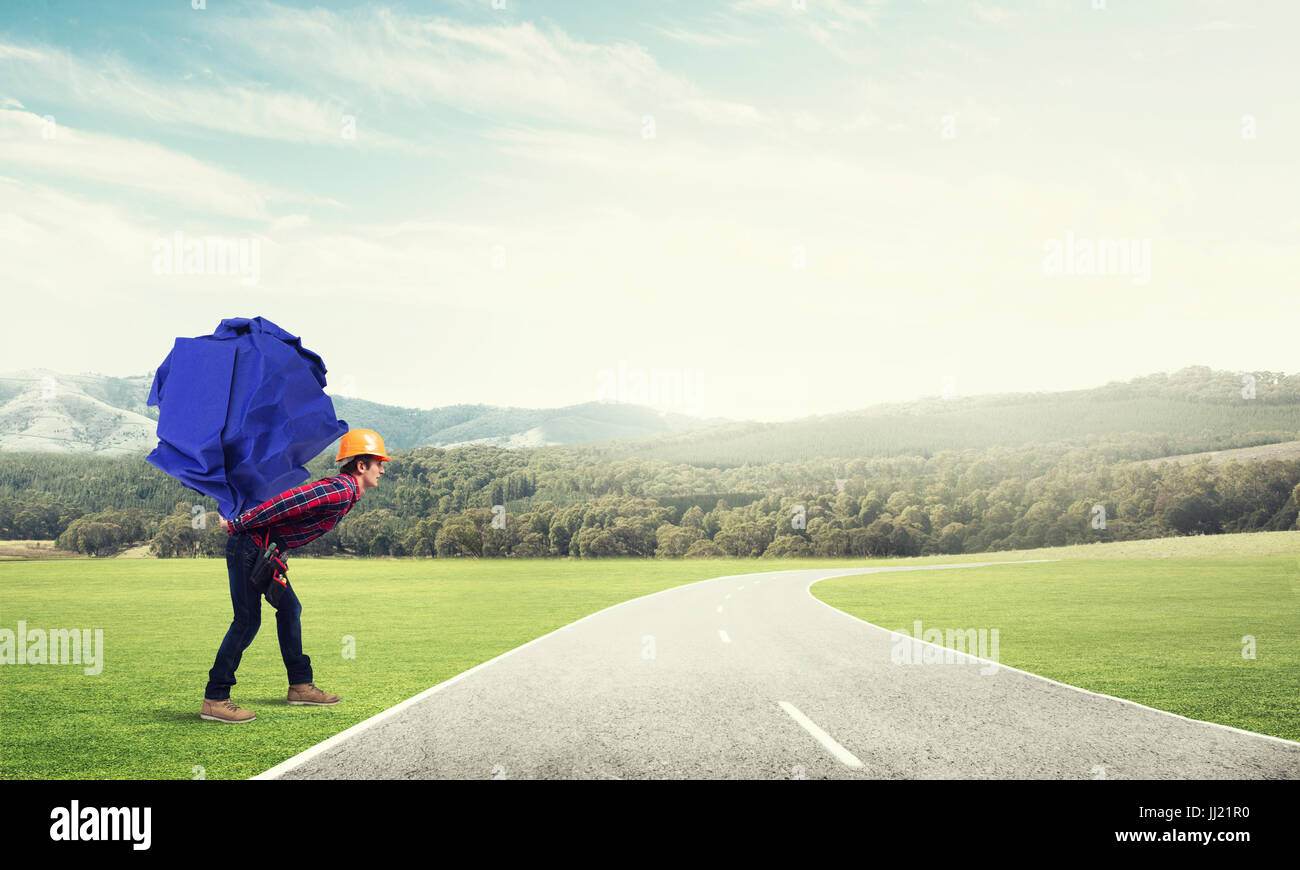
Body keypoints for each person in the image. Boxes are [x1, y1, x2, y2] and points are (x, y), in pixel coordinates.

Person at [199, 428, 390, 724]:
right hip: (248, 545)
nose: (382, 468)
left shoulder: (347, 494)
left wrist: (280, 554)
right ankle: (215, 698)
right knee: (247, 620)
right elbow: (287, 502)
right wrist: (238, 525)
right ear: (361, 466)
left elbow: (293, 521)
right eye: (379, 462)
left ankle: (300, 686)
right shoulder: (340, 489)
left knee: (290, 609)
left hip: (264, 552)